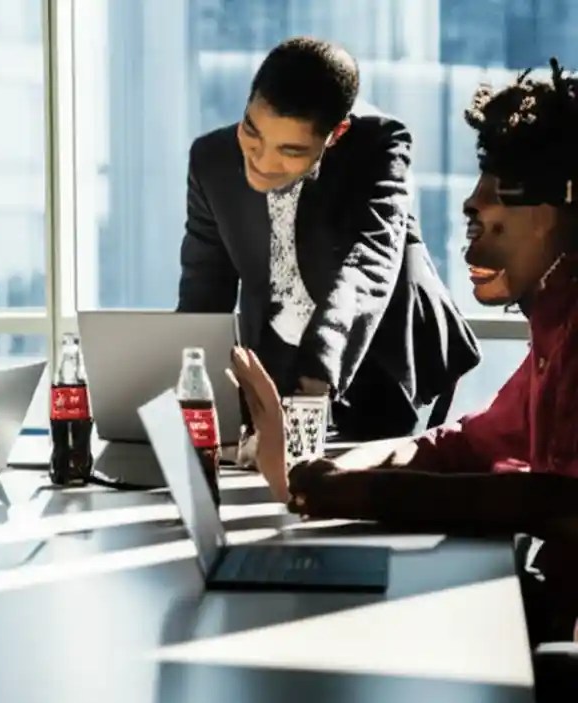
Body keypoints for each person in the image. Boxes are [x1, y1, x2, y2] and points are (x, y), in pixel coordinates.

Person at [231, 57, 578, 526]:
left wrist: (363, 492)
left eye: (498, 185)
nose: (472, 202)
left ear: (547, 214)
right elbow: (464, 444)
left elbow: (557, 502)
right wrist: (340, 470)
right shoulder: (555, 324)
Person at [178, 36, 480, 441]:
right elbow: (203, 288)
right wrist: (190, 384)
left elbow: (367, 261)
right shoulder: (210, 160)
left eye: (290, 149)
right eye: (252, 133)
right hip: (272, 357)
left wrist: (318, 374)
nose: (263, 163)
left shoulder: (379, 143)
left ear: (336, 133)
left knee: (359, 489)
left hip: (375, 358)